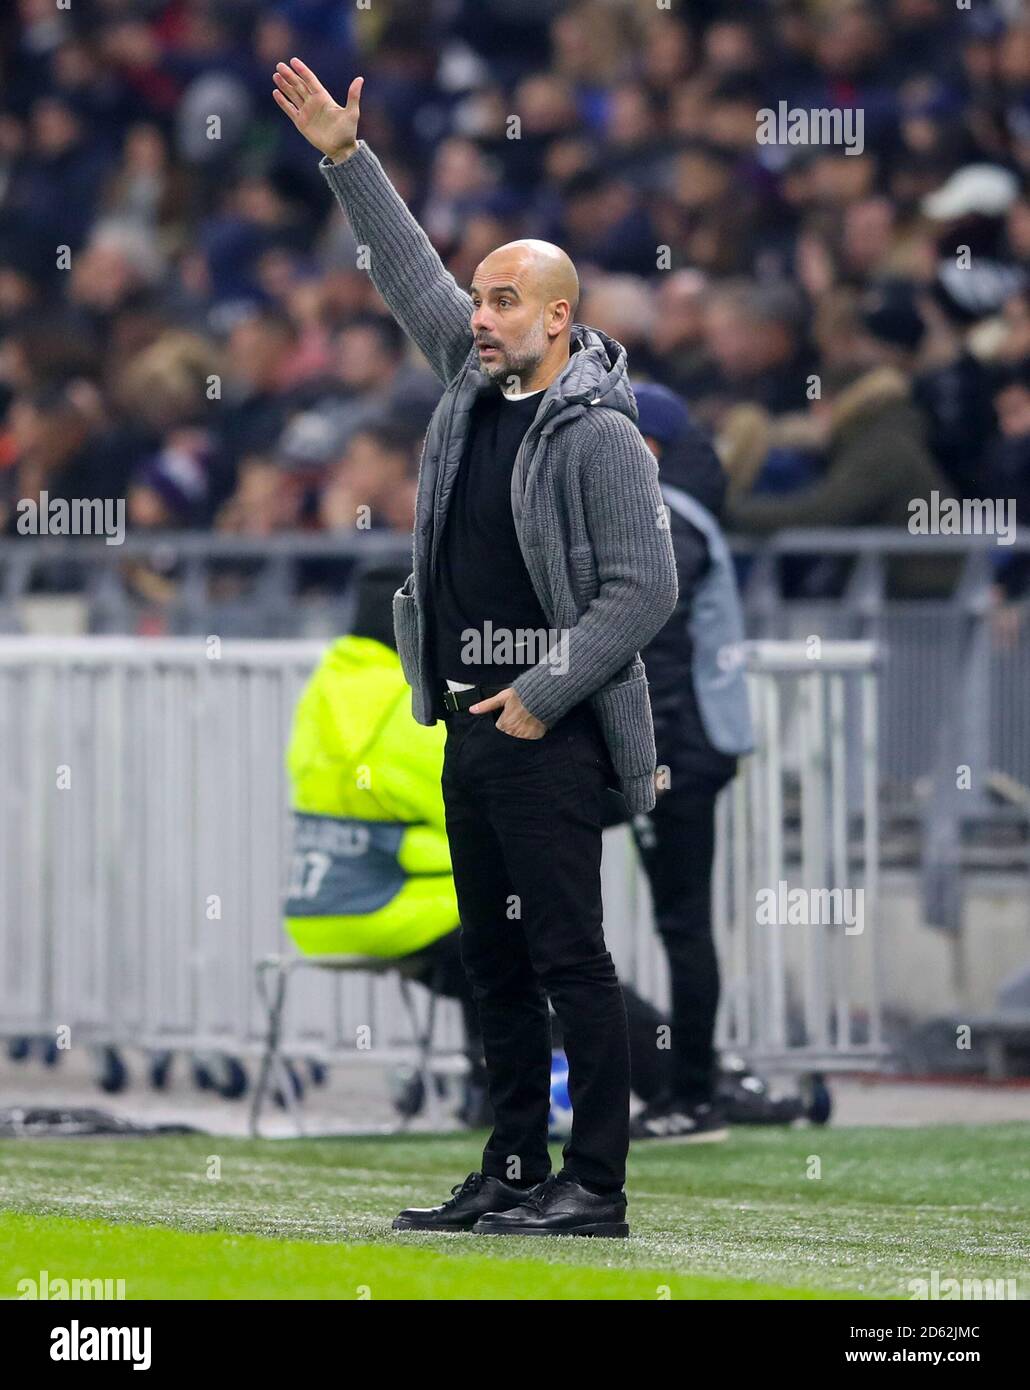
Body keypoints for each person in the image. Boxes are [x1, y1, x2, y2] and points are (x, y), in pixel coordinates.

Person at [274, 60, 677, 1237]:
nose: (479, 312)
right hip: (464, 718)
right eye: (480, 297)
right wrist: (347, 157)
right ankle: (510, 1168)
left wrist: (545, 696)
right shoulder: (469, 380)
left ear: (559, 316)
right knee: (496, 968)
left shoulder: (601, 430)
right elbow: (406, 271)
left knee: (567, 958)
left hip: (545, 732)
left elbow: (643, 590)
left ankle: (593, 1185)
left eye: (503, 299)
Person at [616, 383, 754, 1141]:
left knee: (682, 922)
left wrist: (647, 759)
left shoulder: (666, 524)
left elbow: (659, 656)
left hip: (679, 749)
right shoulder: (681, 515)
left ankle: (694, 1097)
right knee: (682, 923)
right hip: (690, 743)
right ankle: (689, 1089)